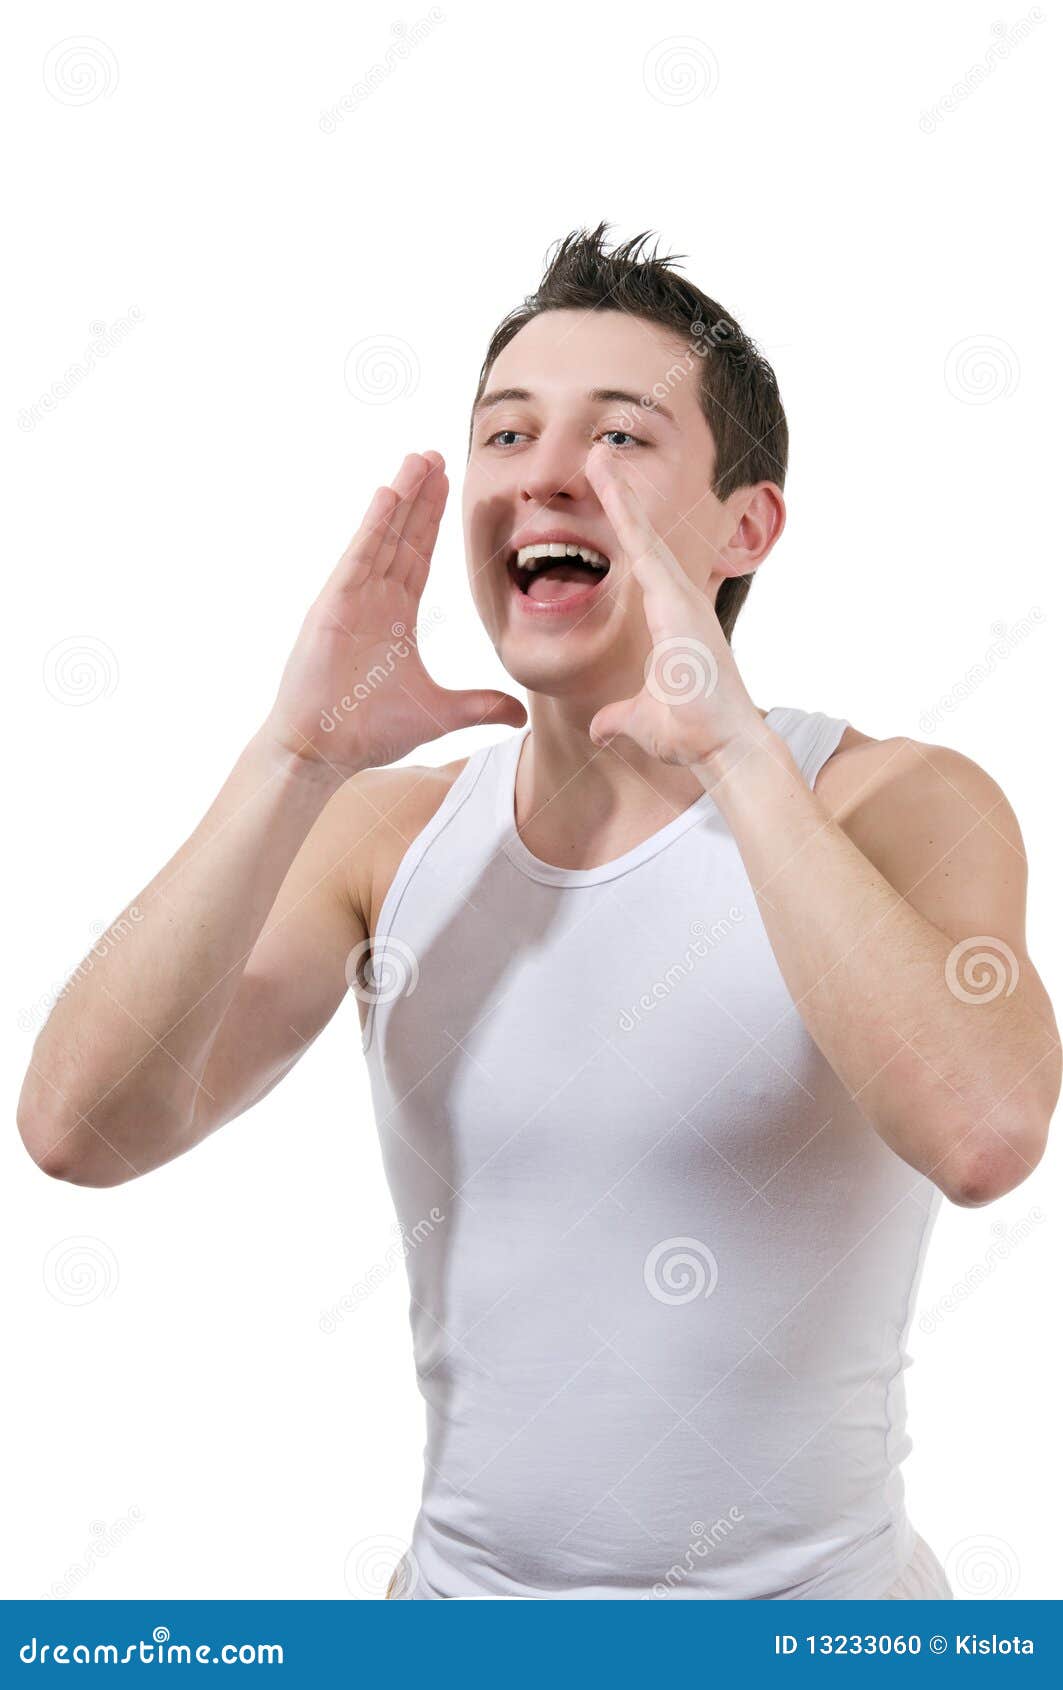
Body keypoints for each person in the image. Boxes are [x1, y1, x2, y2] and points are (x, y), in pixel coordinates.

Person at [18, 226, 1060, 1601]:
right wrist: (293, 754)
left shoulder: (890, 801)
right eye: (506, 434)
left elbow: (985, 1133)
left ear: (746, 525)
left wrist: (735, 753)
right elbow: (79, 1127)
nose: (547, 471)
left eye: (621, 438)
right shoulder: (390, 836)